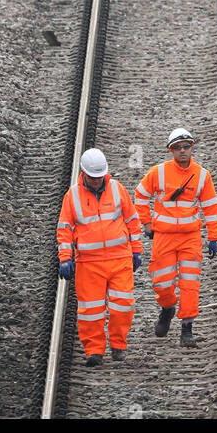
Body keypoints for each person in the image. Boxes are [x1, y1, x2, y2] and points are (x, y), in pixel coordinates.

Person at [134, 128, 217, 348]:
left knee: (190, 284)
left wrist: (214, 236)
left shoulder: (202, 175)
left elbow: (211, 207)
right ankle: (168, 308)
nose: (182, 151)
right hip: (163, 236)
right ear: (170, 150)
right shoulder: (159, 172)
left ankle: (187, 328)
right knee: (161, 283)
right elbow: (141, 195)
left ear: (192, 147)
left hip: (190, 237)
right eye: (177, 148)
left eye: (186, 147)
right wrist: (146, 223)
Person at [57, 148, 143, 366]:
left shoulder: (117, 189)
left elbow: (132, 220)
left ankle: (118, 345)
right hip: (89, 262)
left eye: (99, 177)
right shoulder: (73, 196)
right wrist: (65, 257)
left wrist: (137, 249)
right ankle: (94, 351)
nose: (96, 182)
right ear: (84, 174)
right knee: (91, 310)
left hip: (120, 258)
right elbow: (65, 228)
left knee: (123, 304)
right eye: (92, 178)